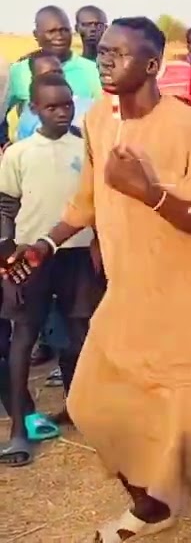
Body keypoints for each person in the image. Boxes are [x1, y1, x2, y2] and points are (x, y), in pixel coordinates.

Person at [1, 17, 191, 541]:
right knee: (91, 402)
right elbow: (88, 199)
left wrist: (148, 191)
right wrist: (45, 244)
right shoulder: (98, 118)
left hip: (190, 296)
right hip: (128, 294)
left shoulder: (186, 127)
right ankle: (150, 503)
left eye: (120, 53)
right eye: (105, 51)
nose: (106, 59)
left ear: (152, 65)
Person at [0, 72, 104, 467]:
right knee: (24, 335)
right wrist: (6, 258)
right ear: (33, 109)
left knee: (80, 333)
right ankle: (18, 429)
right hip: (31, 257)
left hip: (77, 254)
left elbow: (98, 203)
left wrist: (98, 241)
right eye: (51, 107)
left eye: (67, 105)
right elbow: (5, 206)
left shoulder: (87, 149)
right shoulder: (19, 153)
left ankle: (79, 409)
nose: (61, 112)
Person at [4, 6, 104, 137]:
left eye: (64, 30)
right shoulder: (18, 71)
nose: (59, 37)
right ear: (36, 35)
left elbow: (104, 115)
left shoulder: (92, 70)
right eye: (52, 32)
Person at [14, 53, 91, 141]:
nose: (56, 76)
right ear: (34, 78)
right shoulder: (29, 115)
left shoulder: (88, 106)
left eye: (59, 72)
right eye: (48, 74)